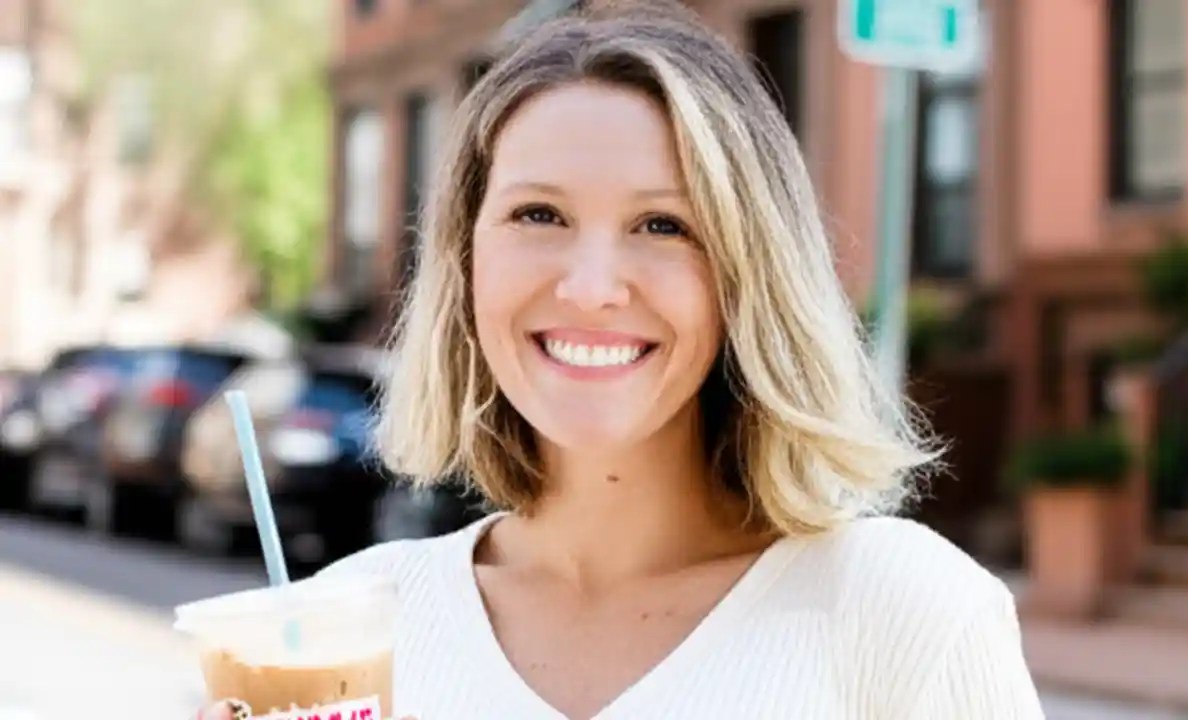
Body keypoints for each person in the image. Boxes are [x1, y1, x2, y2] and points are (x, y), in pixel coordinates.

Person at [201, 1, 1043, 718]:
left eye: (663, 226)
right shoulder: (342, 630)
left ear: (748, 277)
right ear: (465, 263)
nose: (592, 287)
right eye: (539, 216)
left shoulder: (904, 612)